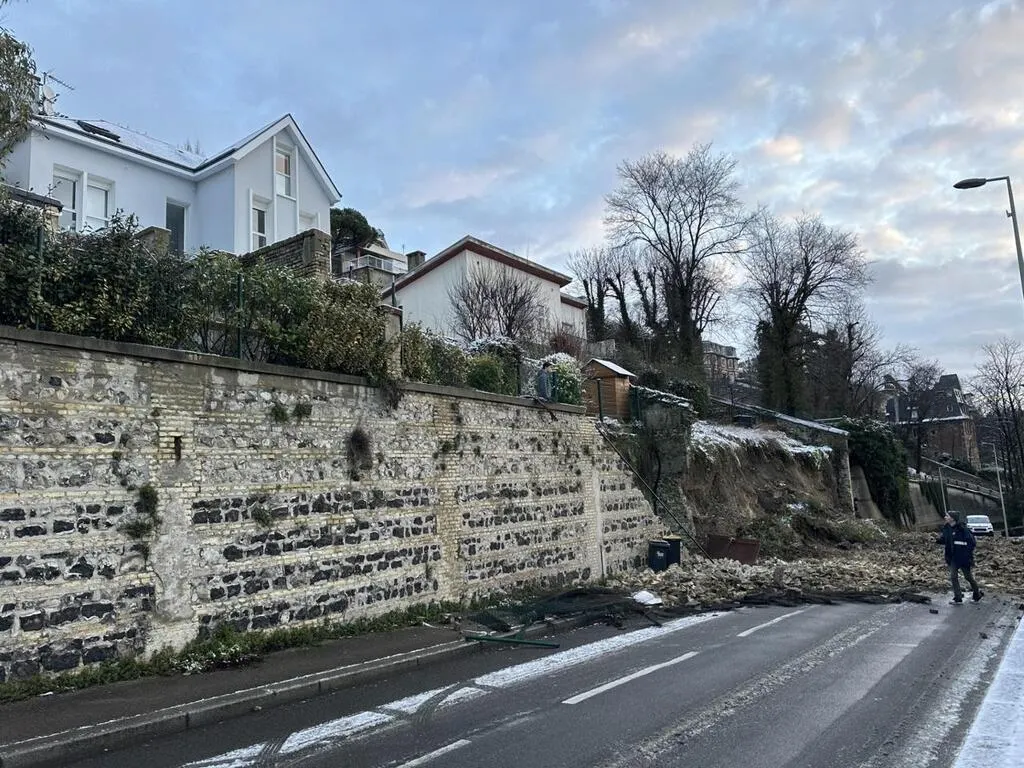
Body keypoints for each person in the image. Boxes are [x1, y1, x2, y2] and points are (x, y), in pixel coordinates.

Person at [937, 511, 983, 605]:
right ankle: (958, 598)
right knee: (953, 576)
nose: (945, 517)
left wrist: (967, 554)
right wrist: (938, 540)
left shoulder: (963, 529)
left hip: (963, 558)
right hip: (953, 557)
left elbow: (971, 543)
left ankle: (977, 594)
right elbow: (945, 540)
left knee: (968, 577)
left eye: (947, 516)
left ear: (952, 518)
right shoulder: (947, 528)